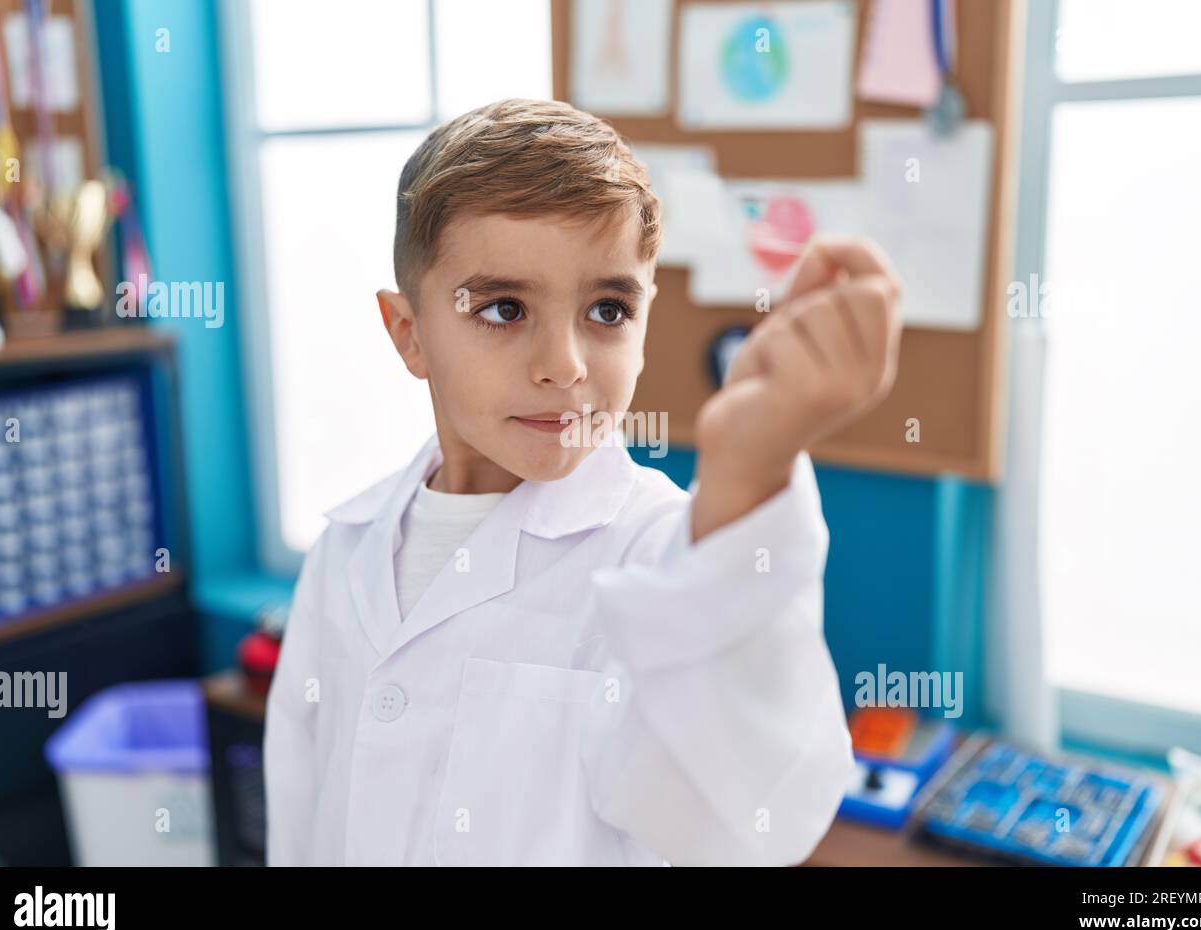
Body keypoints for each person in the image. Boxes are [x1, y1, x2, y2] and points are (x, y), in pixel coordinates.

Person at [264, 99, 902, 866]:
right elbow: (298, 804)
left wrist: (750, 472)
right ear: (410, 334)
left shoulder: (667, 553)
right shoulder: (345, 551)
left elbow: (752, 821)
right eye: (504, 308)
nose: (565, 365)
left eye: (608, 308)